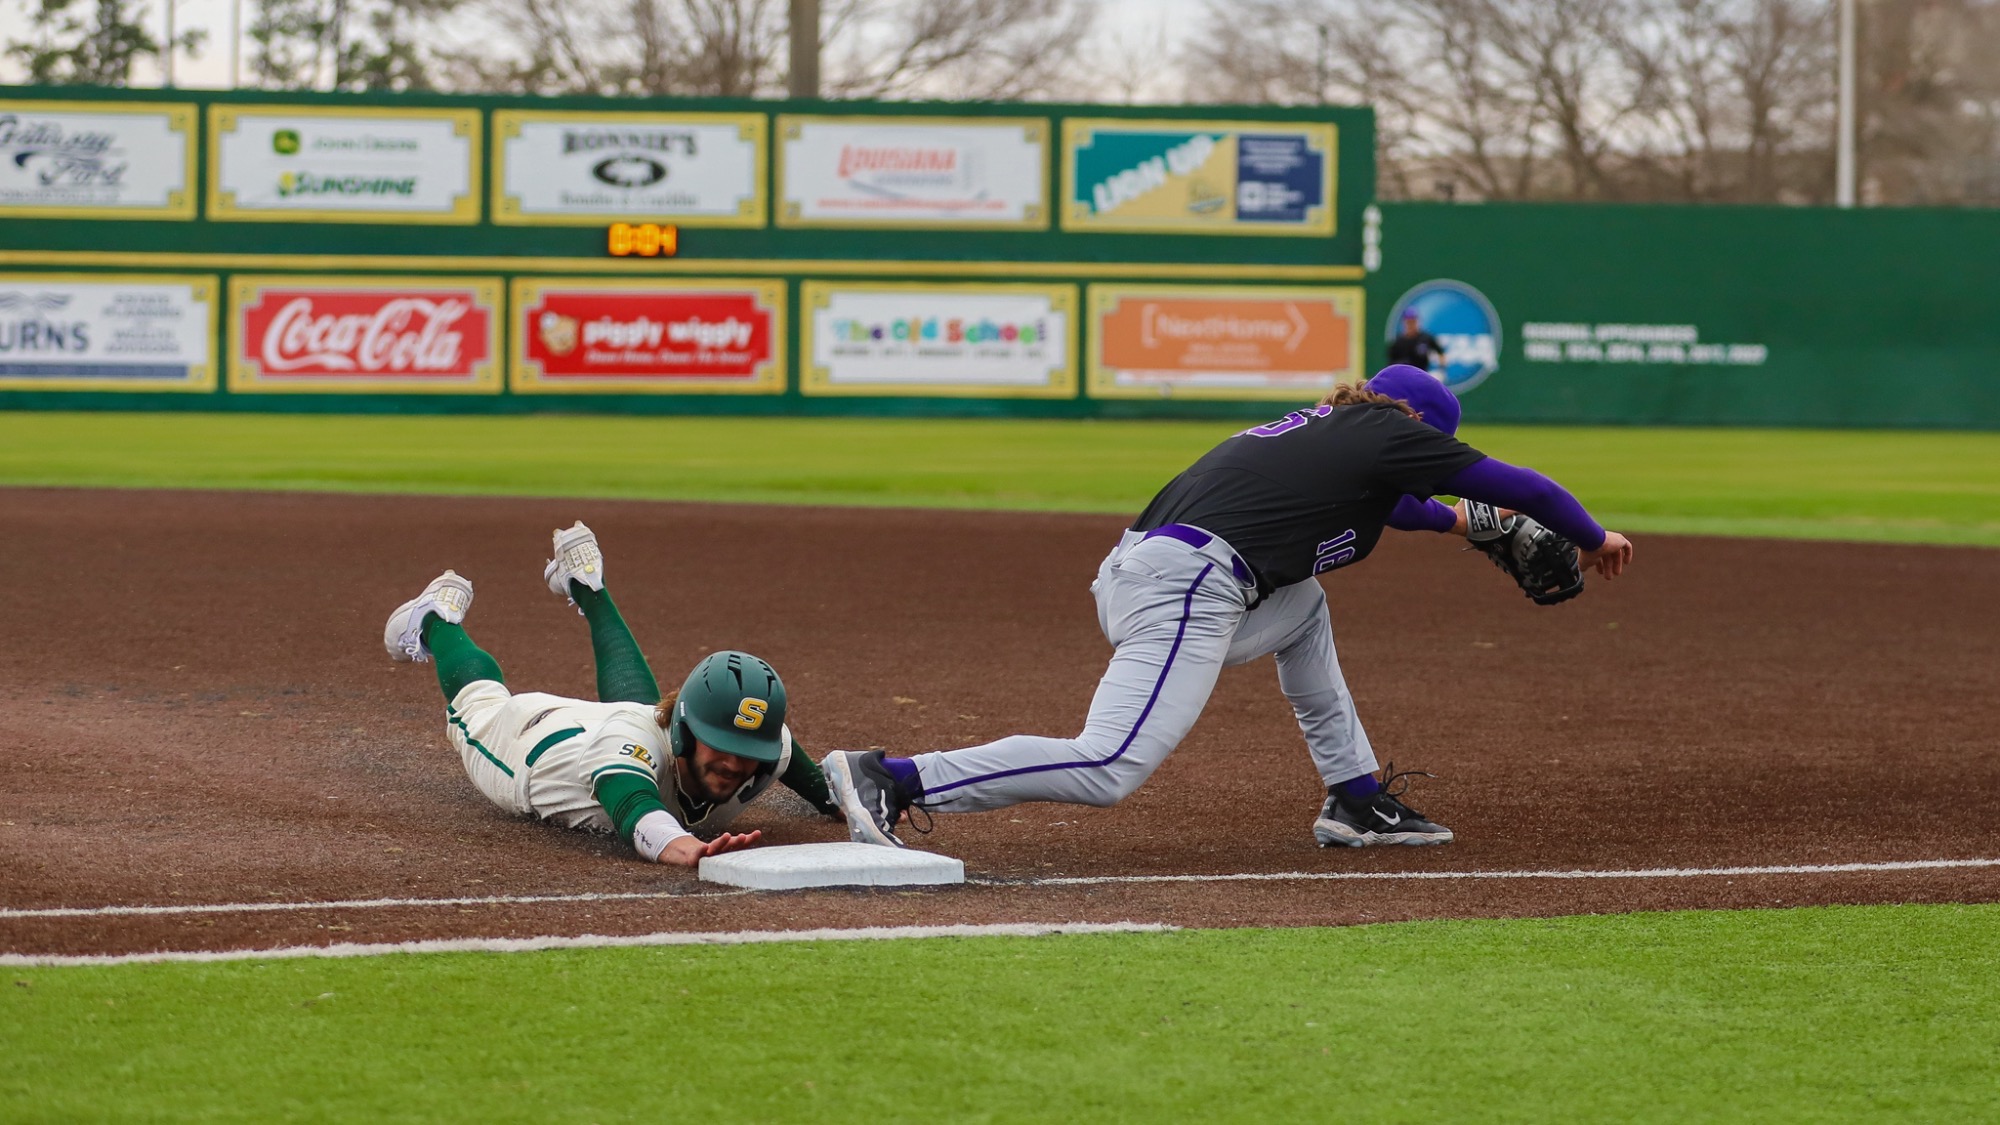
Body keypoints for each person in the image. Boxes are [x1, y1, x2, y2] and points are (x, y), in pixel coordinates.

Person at [822, 365, 1633, 850]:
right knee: (1109, 763)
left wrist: (1463, 520)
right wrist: (1592, 535)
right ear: (1420, 429)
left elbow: (1414, 509)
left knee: (1305, 606)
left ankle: (1356, 798)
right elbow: (1522, 486)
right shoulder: (1392, 435)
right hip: (1188, 586)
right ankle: (893, 777)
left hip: (1153, 569)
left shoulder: (1335, 436)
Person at [381, 522, 838, 866]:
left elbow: (800, 765)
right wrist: (686, 848)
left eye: (747, 749)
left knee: (640, 706)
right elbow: (634, 807)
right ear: (684, 730)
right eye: (723, 746)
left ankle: (586, 583)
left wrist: (840, 798)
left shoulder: (764, 745)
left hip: (617, 727)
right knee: (478, 702)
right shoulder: (627, 750)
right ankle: (434, 618)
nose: (737, 764)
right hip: (526, 744)